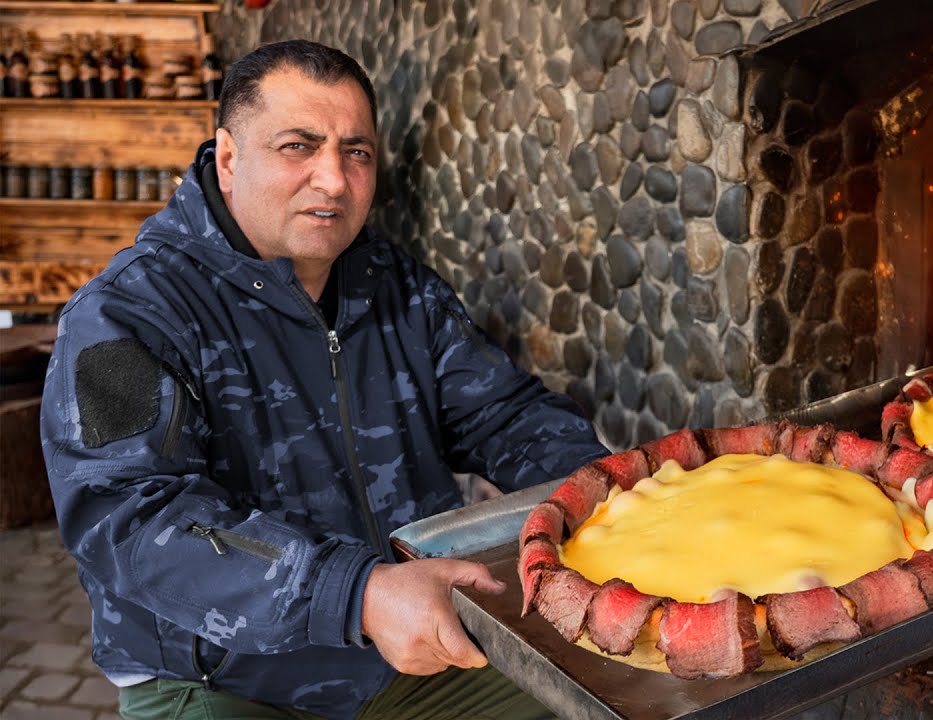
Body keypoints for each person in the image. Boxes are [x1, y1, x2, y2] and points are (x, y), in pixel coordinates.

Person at [41, 39, 609, 719]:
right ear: (228, 158)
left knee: (605, 698)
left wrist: (616, 492)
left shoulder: (392, 284)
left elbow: (503, 416)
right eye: (298, 146)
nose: (335, 180)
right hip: (226, 681)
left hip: (408, 647)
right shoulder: (128, 312)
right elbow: (129, 520)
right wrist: (359, 595)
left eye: (356, 152)